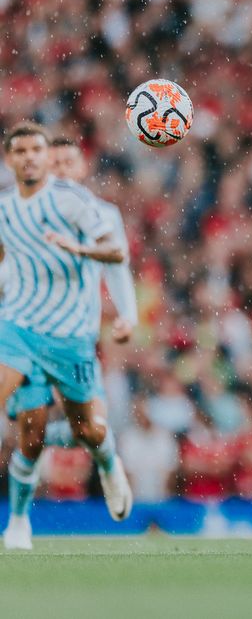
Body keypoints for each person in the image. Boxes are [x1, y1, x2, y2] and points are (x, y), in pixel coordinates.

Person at [0, 122, 132, 550]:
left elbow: (115, 254)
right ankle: (18, 522)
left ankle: (108, 461)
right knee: (31, 434)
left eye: (37, 150)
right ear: (11, 159)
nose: (31, 158)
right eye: (20, 151)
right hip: (19, 326)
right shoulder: (4, 209)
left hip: (71, 336)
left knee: (88, 430)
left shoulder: (77, 203)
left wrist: (79, 251)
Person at [40, 136, 139, 451]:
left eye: (69, 163)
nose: (62, 171)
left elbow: (117, 267)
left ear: (83, 168)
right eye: (54, 165)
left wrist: (128, 314)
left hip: (79, 331)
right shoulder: (28, 212)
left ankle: (85, 448)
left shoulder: (105, 214)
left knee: (90, 426)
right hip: (32, 328)